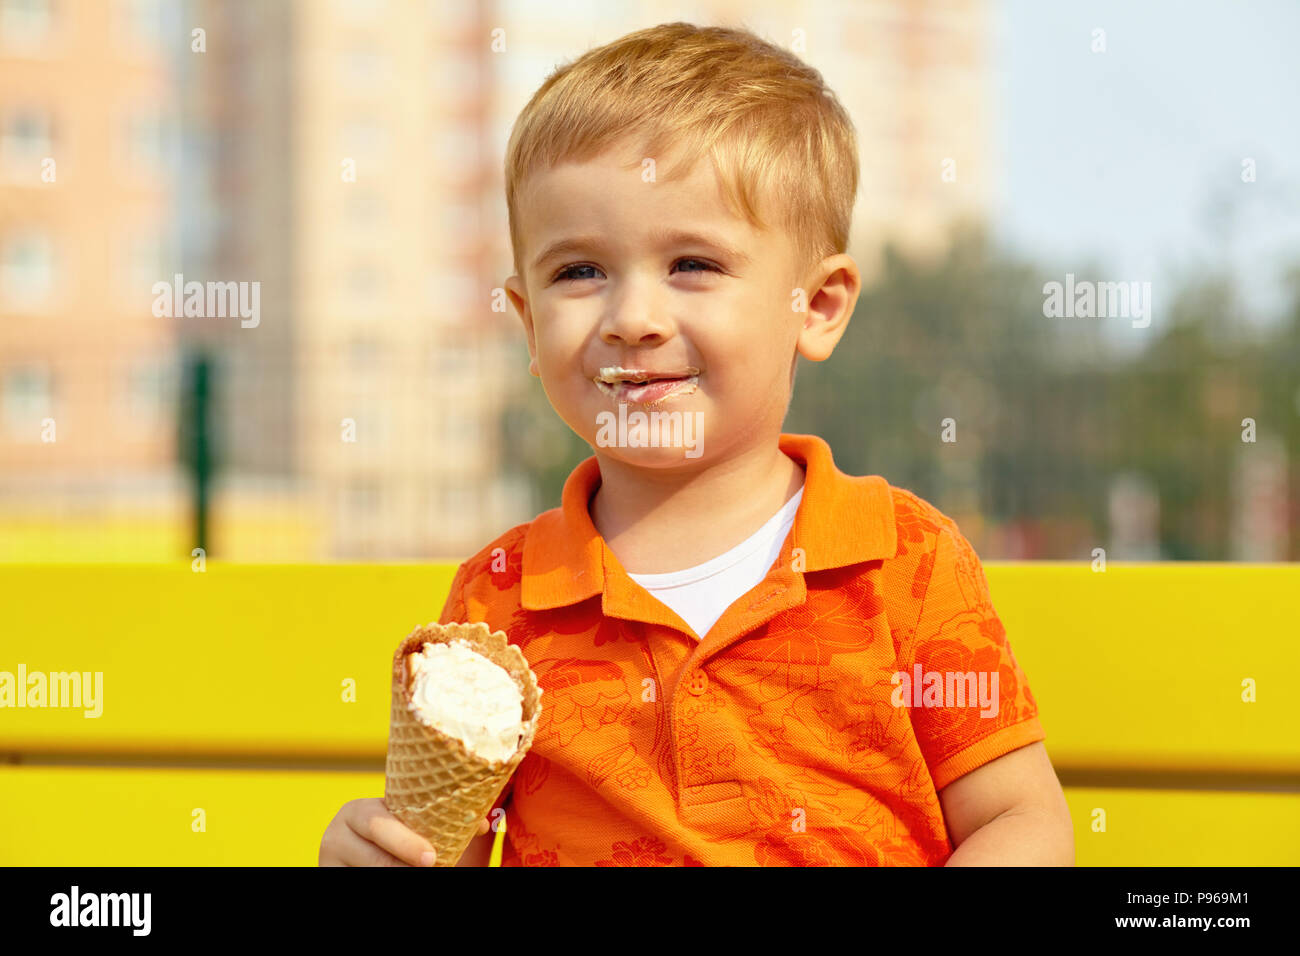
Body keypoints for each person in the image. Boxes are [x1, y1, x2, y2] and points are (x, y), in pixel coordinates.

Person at [320, 20, 1073, 867]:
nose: (633, 320)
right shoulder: (499, 603)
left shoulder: (905, 564)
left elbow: (1021, 824)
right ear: (529, 324)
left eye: (692, 265)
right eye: (579, 272)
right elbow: (449, 849)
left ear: (816, 306)